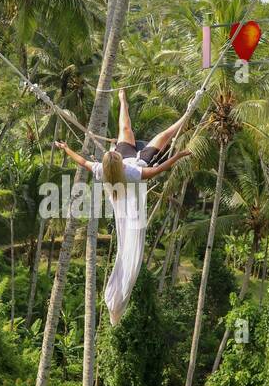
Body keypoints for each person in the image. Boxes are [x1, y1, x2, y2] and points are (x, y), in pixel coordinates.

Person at [54, 86, 191, 324]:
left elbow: (82, 161)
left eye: (113, 150)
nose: (114, 149)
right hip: (141, 165)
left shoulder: (103, 168)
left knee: (125, 129)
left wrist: (67, 149)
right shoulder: (132, 173)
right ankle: (187, 114)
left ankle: (122, 98)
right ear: (116, 165)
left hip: (131, 162)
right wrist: (177, 157)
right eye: (114, 152)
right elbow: (158, 169)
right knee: (164, 136)